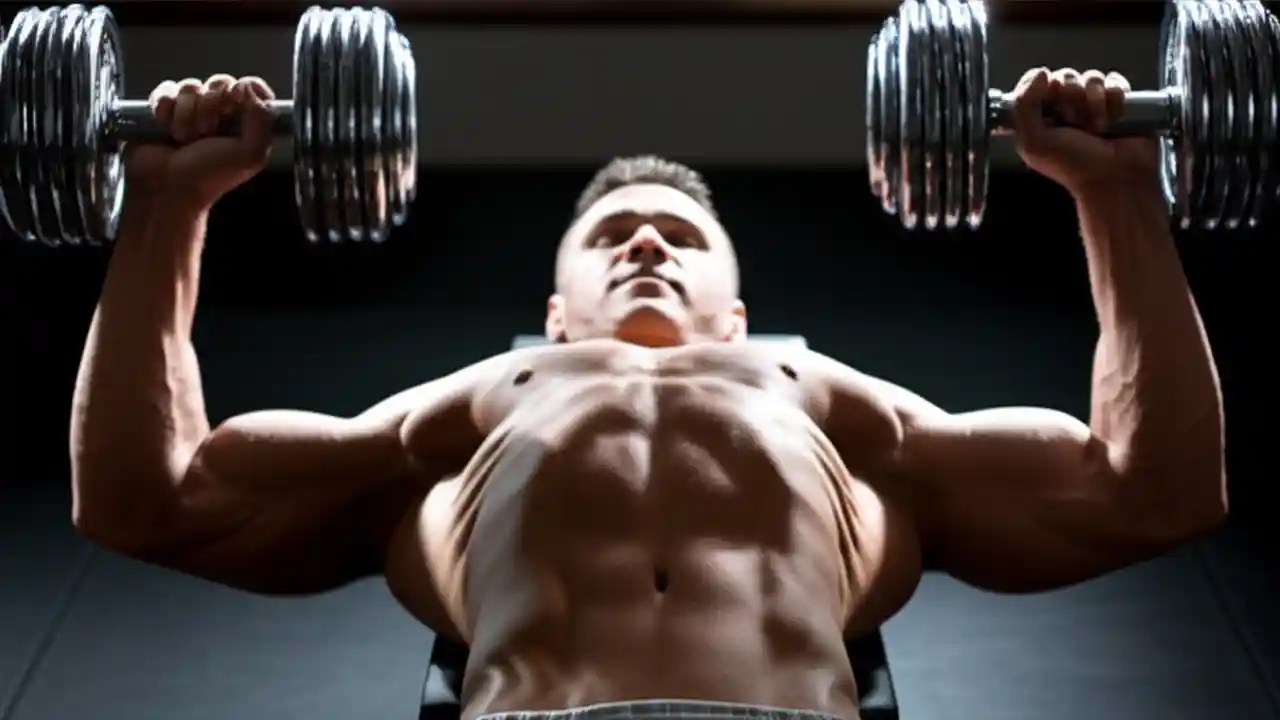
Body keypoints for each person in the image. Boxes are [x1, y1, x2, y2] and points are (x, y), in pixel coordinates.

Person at [69, 67, 1227, 720]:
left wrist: (1116, 194)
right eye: (610, 233)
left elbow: (1149, 491)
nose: (644, 246)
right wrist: (168, 207)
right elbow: (149, 496)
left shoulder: (826, 396)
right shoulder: (469, 405)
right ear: (554, 307)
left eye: (679, 233)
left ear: (736, 308)